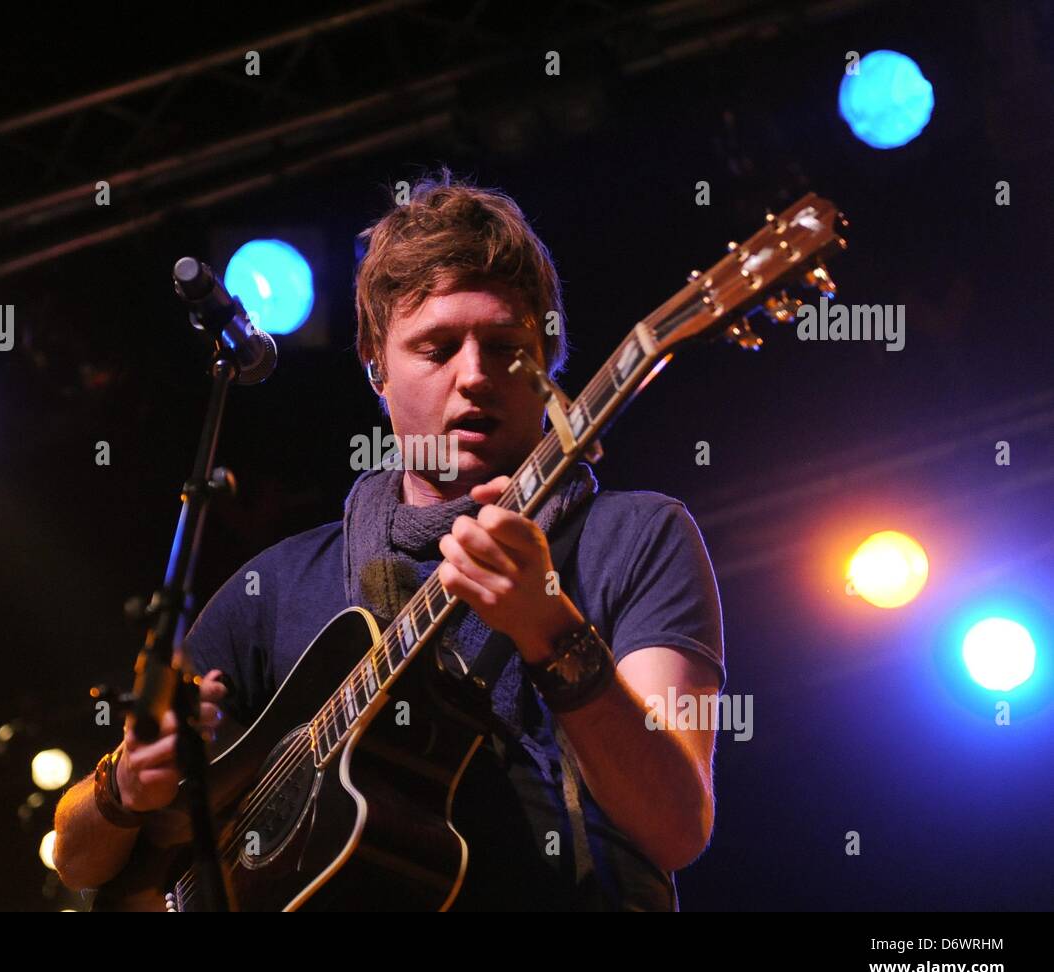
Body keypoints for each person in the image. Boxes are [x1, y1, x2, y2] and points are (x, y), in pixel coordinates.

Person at [54, 169, 725, 910]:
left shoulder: (637, 536)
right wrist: (122, 787)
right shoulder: (274, 589)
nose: (475, 376)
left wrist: (548, 626)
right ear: (377, 366)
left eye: (505, 346)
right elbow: (82, 863)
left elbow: (676, 825)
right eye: (437, 349)